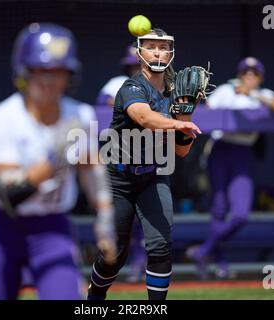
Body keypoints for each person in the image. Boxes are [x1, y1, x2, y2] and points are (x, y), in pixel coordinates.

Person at [0, 22, 116, 300]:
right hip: (4, 229)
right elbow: (10, 192)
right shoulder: (1, 118)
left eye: (58, 72)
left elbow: (92, 169)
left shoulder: (81, 115)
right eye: (42, 71)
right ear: (24, 73)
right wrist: (58, 156)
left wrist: (106, 218)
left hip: (52, 227)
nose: (50, 81)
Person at [87, 27, 202, 300]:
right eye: (151, 46)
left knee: (161, 246)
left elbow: (181, 150)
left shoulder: (176, 93)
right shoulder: (131, 87)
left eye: (162, 47)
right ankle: (94, 299)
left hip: (154, 175)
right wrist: (175, 121)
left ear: (171, 52)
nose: (157, 52)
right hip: (118, 178)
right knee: (114, 255)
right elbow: (145, 119)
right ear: (140, 53)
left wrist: (184, 112)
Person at [186, 57, 274, 280]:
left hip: (243, 153)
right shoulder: (227, 90)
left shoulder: (265, 95)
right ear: (239, 75)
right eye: (245, 73)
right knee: (219, 208)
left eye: (254, 73)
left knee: (240, 214)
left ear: (260, 77)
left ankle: (203, 250)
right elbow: (209, 109)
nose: (249, 77)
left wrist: (252, 94)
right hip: (221, 150)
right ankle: (220, 265)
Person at [96, 44, 146, 283]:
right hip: (116, 152)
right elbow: (103, 103)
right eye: (132, 64)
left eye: (139, 63)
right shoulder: (116, 82)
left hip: (146, 155)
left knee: (143, 215)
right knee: (120, 217)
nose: (135, 67)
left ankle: (139, 263)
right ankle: (112, 262)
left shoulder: (154, 83)